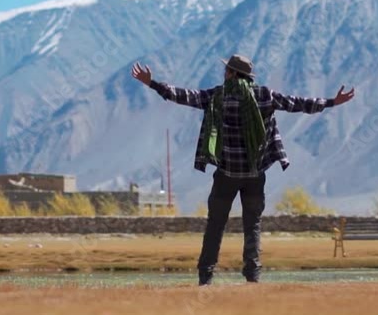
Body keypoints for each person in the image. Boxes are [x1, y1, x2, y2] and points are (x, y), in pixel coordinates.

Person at [131, 54, 355, 285]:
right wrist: (331, 102)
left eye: (226, 70)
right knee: (252, 226)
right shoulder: (264, 96)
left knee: (215, 226)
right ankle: (252, 275)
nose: (224, 73)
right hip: (255, 175)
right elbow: (297, 103)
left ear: (231, 73)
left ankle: (206, 277)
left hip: (226, 174)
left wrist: (152, 83)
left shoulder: (217, 96)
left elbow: (184, 96)